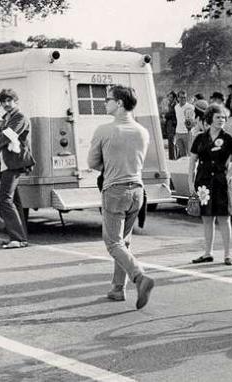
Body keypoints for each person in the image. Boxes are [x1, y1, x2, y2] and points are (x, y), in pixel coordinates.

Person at [87, 85, 154, 309]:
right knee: (124, 242)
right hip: (137, 190)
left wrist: (110, 163)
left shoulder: (104, 130)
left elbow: (92, 163)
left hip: (115, 190)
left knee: (113, 242)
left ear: (119, 103)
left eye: (108, 99)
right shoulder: (143, 131)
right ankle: (117, 288)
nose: (105, 103)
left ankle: (139, 276)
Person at [188, 104, 232, 265]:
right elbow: (192, 161)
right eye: (218, 117)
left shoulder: (228, 139)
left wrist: (228, 175)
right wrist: (190, 182)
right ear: (210, 118)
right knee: (207, 218)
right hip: (203, 183)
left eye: (223, 118)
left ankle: (227, 254)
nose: (221, 120)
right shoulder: (200, 138)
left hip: (220, 182)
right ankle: (207, 253)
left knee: (224, 218)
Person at [0, 88, 34, 249]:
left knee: (5, 199)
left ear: (16, 101)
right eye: (3, 101)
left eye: (9, 100)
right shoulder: (7, 118)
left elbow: (8, 135)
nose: (6, 104)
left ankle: (17, 238)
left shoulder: (19, 117)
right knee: (14, 200)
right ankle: (20, 238)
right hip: (6, 162)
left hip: (14, 162)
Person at [174, 90, 194, 158]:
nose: (183, 99)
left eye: (184, 97)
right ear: (178, 98)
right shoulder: (176, 107)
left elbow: (192, 121)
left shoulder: (190, 107)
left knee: (189, 153)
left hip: (187, 133)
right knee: (182, 154)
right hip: (178, 132)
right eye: (181, 97)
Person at [164, 91, 178, 160]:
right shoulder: (170, 105)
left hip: (172, 125)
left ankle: (173, 157)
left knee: (172, 142)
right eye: (169, 97)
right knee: (171, 142)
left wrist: (166, 115)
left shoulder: (175, 105)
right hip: (169, 125)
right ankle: (172, 157)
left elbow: (171, 114)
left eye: (171, 97)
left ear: (174, 98)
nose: (169, 98)